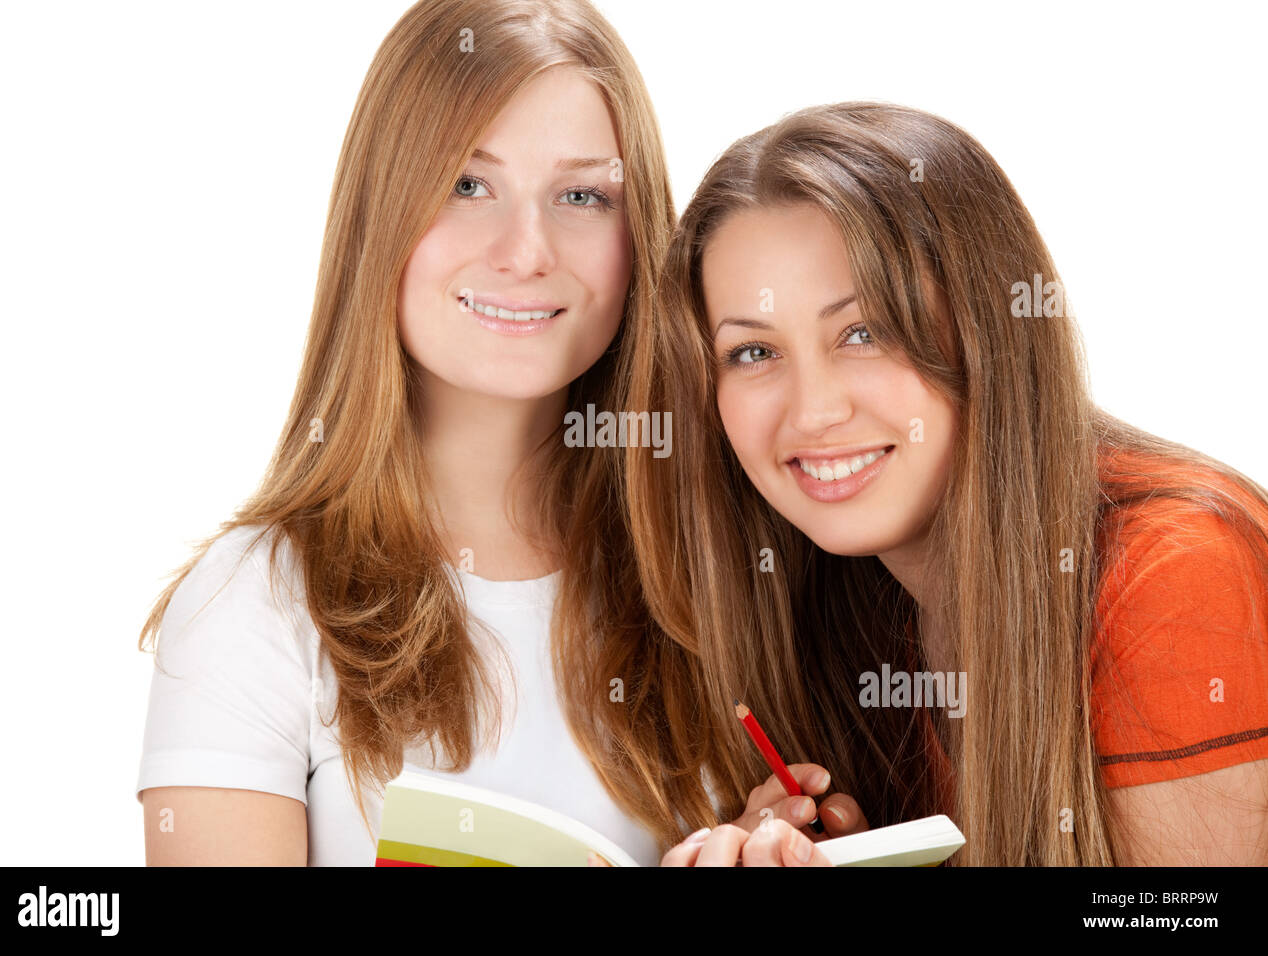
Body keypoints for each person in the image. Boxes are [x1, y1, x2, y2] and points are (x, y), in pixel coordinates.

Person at [136, 0, 735, 866]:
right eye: (467, 184)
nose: (526, 251)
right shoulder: (255, 604)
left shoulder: (716, 575)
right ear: (381, 215)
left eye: (581, 195)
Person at [633, 102, 1268, 866]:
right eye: (753, 354)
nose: (814, 411)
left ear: (987, 333)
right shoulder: (839, 601)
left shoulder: (1176, 569)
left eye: (863, 333)